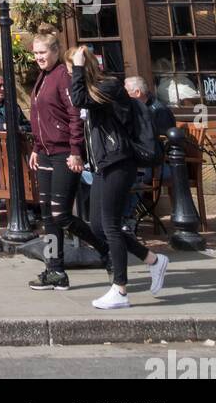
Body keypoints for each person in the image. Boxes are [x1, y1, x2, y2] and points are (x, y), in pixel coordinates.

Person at [69, 47, 169, 309]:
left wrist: (78, 66)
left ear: (83, 67)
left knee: (111, 226)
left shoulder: (109, 86)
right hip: (104, 163)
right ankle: (153, 260)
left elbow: (78, 98)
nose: (71, 76)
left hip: (119, 161)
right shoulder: (97, 91)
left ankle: (120, 290)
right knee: (98, 227)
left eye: (72, 70)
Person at [27, 30, 110, 290]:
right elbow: (39, 117)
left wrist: (76, 150)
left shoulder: (64, 75)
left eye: (42, 52)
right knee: (48, 216)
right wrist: (36, 147)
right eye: (35, 53)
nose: (38, 57)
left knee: (61, 215)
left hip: (65, 153)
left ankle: (104, 247)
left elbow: (76, 114)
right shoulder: (43, 77)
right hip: (45, 153)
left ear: (54, 51)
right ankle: (55, 270)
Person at [121, 75, 175, 228]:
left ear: (137, 93)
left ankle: (126, 218)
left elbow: (163, 144)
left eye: (126, 92)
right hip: (144, 161)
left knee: (131, 175)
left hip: (160, 166)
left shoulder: (159, 111)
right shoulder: (136, 109)